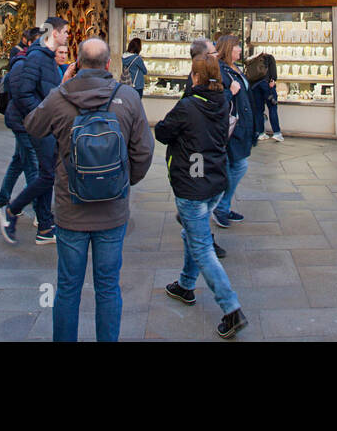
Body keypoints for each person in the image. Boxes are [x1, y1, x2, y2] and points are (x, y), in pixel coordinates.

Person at [25, 37, 154, 341]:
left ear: (78, 63)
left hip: (71, 210)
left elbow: (32, 125)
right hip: (112, 210)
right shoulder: (128, 98)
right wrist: (123, 182)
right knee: (108, 286)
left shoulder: (60, 98)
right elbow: (144, 153)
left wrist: (60, 85)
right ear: (109, 64)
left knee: (68, 287)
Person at [155, 49, 248, 338]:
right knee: (193, 235)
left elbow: (162, 132)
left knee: (202, 246)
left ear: (195, 76)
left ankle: (231, 309)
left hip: (192, 184)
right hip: (214, 181)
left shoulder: (188, 106)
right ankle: (185, 284)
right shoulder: (222, 101)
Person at [0, 18, 67, 244]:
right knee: (45, 174)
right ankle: (12, 210)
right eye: (65, 32)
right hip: (39, 125)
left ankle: (45, 227)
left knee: (48, 173)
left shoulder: (46, 58)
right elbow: (23, 93)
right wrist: (43, 114)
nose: (68, 36)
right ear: (55, 33)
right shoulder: (37, 57)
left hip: (47, 123)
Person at [0, 27, 43, 218]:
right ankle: (40, 214)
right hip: (23, 123)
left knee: (19, 161)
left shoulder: (32, 62)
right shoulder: (22, 65)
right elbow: (22, 97)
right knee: (33, 166)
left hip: (26, 121)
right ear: (28, 43)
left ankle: (0, 202)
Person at [213, 34, 254, 229]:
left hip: (241, 125)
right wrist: (232, 92)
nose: (240, 50)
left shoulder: (235, 68)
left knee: (235, 166)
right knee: (237, 166)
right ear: (229, 49)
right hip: (230, 127)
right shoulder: (220, 70)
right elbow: (217, 98)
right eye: (237, 47)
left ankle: (222, 206)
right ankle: (218, 206)